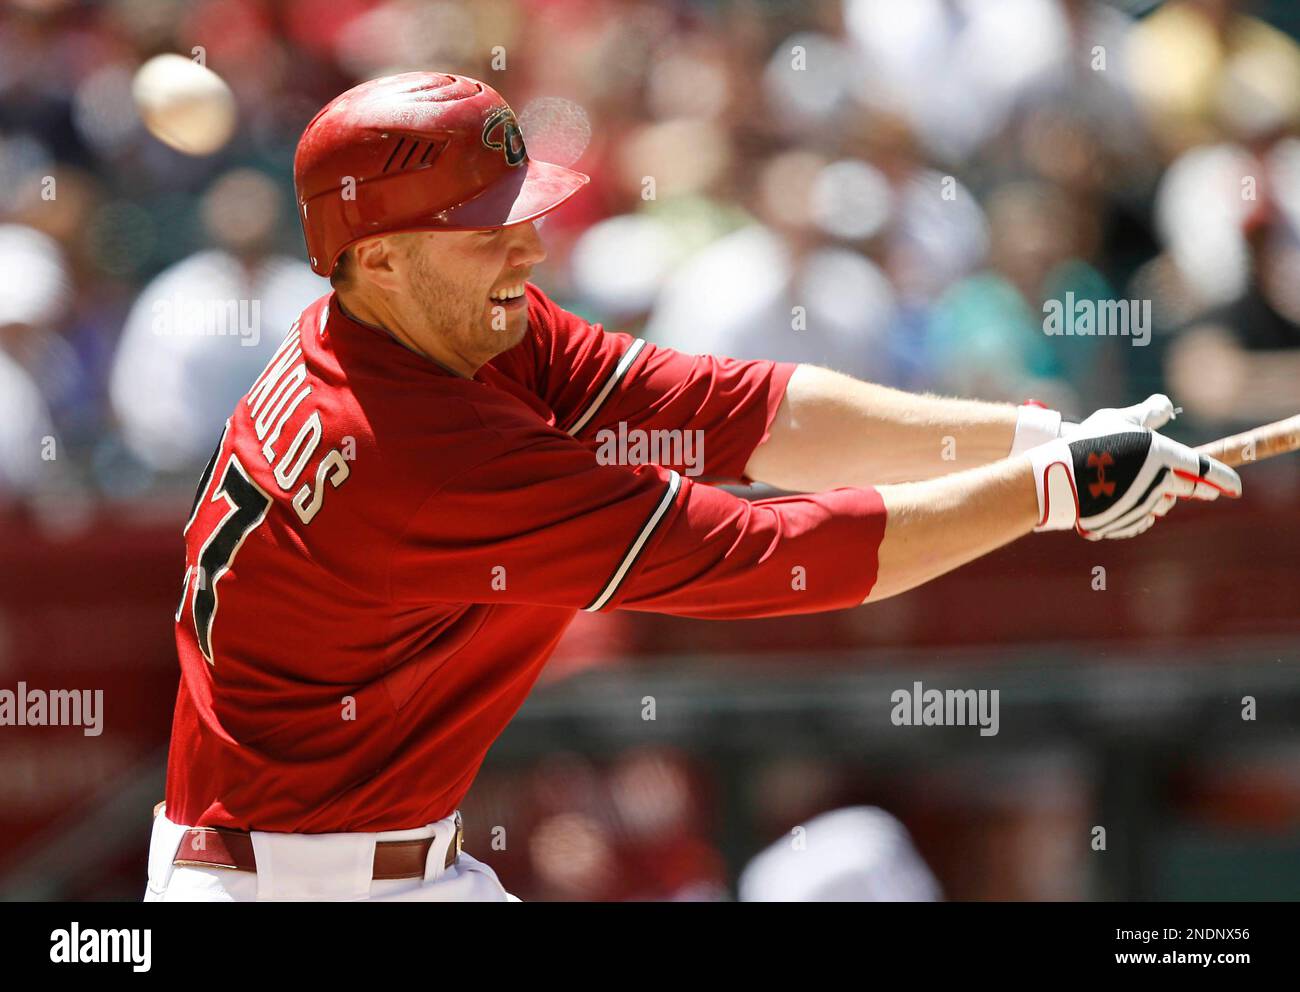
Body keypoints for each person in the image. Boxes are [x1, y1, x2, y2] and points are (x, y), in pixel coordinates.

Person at [144, 72, 1240, 903]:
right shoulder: (414, 446)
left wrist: (1039, 433)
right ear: (379, 259)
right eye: (484, 226)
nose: (526, 244)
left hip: (351, 863)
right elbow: (774, 554)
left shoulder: (432, 332)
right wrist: (1051, 492)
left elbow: (738, 408)